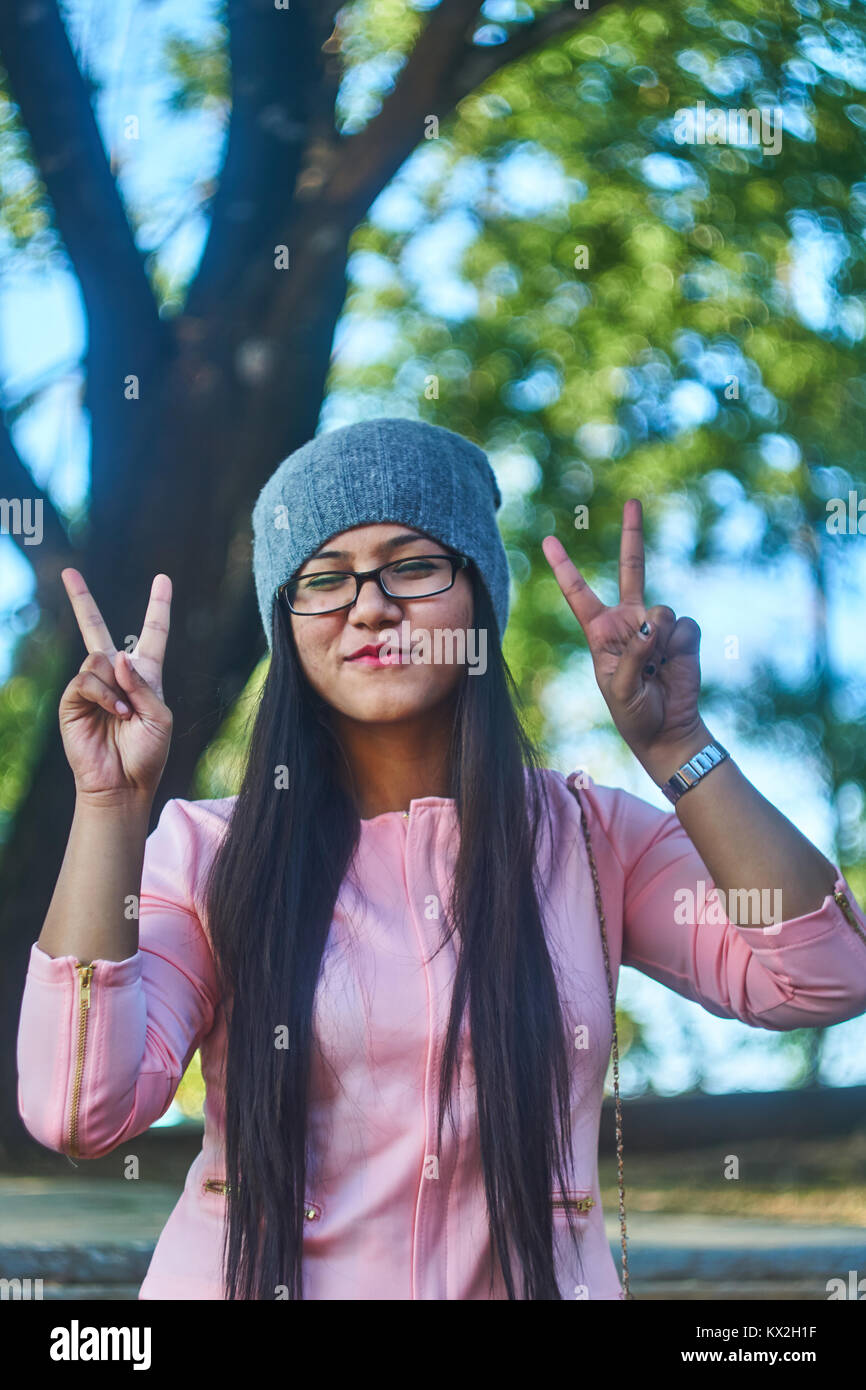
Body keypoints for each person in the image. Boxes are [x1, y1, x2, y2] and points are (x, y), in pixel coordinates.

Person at [16, 416, 866, 1301]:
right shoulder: (206, 853)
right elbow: (80, 1110)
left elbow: (826, 974)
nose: (370, 607)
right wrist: (110, 804)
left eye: (413, 565)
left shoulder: (590, 839)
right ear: (289, 629)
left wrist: (679, 744)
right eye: (324, 580)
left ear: (480, 600)